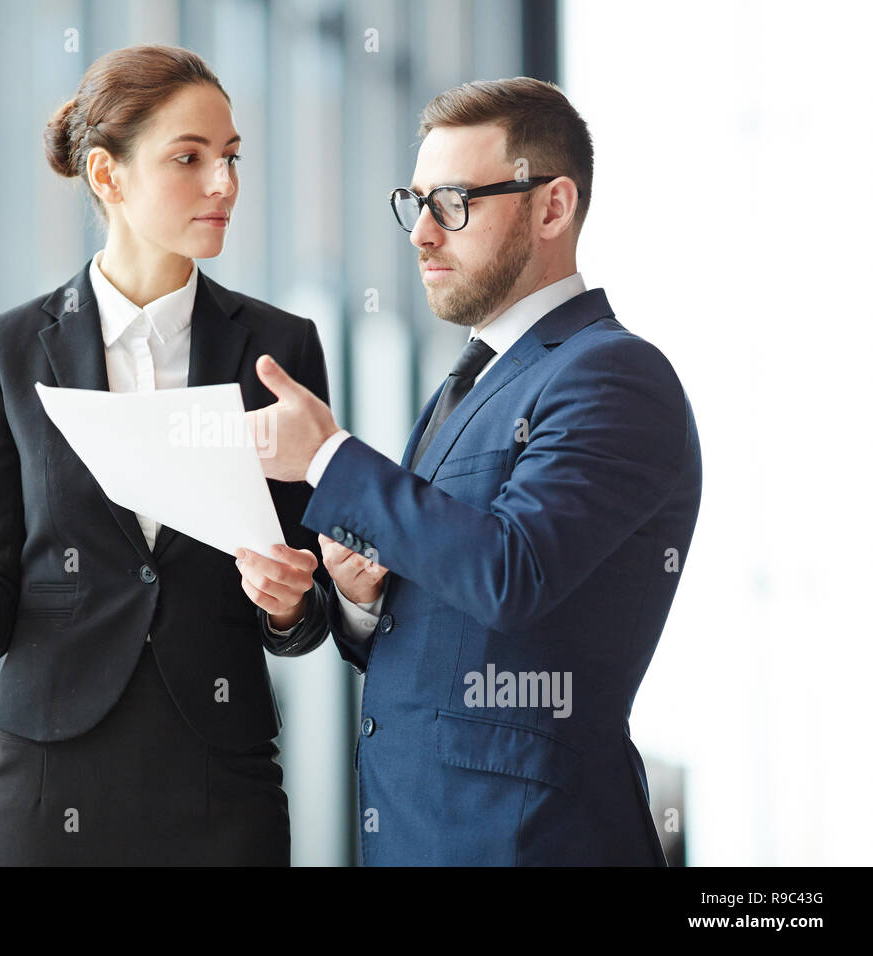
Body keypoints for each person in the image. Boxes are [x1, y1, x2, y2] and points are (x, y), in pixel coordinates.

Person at [0, 44, 333, 865]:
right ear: (107, 177)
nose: (224, 184)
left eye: (231, 158)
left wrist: (289, 603)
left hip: (221, 783)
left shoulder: (281, 348)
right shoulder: (6, 351)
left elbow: (305, 607)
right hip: (47, 783)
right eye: (189, 158)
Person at [246, 77, 702, 865]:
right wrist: (361, 599)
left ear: (552, 208)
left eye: (452, 202)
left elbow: (512, 572)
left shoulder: (615, 375)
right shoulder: (475, 380)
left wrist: (325, 455)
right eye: (414, 201)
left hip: (530, 841)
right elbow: (446, 625)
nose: (421, 233)